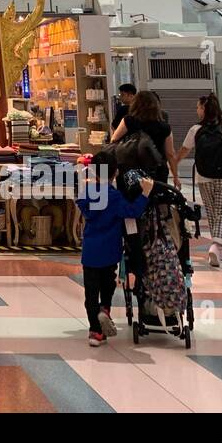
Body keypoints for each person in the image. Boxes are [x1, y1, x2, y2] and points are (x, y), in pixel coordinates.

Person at [78, 163, 152, 346]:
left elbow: (80, 203)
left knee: (90, 292)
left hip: (90, 250)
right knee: (107, 284)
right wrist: (145, 194)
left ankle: (95, 331)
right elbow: (133, 211)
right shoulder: (114, 196)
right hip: (110, 251)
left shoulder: (86, 194)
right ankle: (106, 308)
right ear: (116, 173)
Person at [181, 93, 222, 267]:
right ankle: (217, 246)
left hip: (203, 177)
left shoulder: (195, 129)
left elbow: (183, 151)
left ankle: (219, 247)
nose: (197, 110)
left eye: (198, 107)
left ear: (203, 109)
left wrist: (173, 167)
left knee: (211, 211)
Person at [110, 89, 176, 186]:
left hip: (130, 169)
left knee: (130, 198)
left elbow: (114, 140)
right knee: (155, 197)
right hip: (157, 170)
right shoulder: (164, 127)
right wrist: (175, 176)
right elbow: (170, 153)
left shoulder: (128, 120)